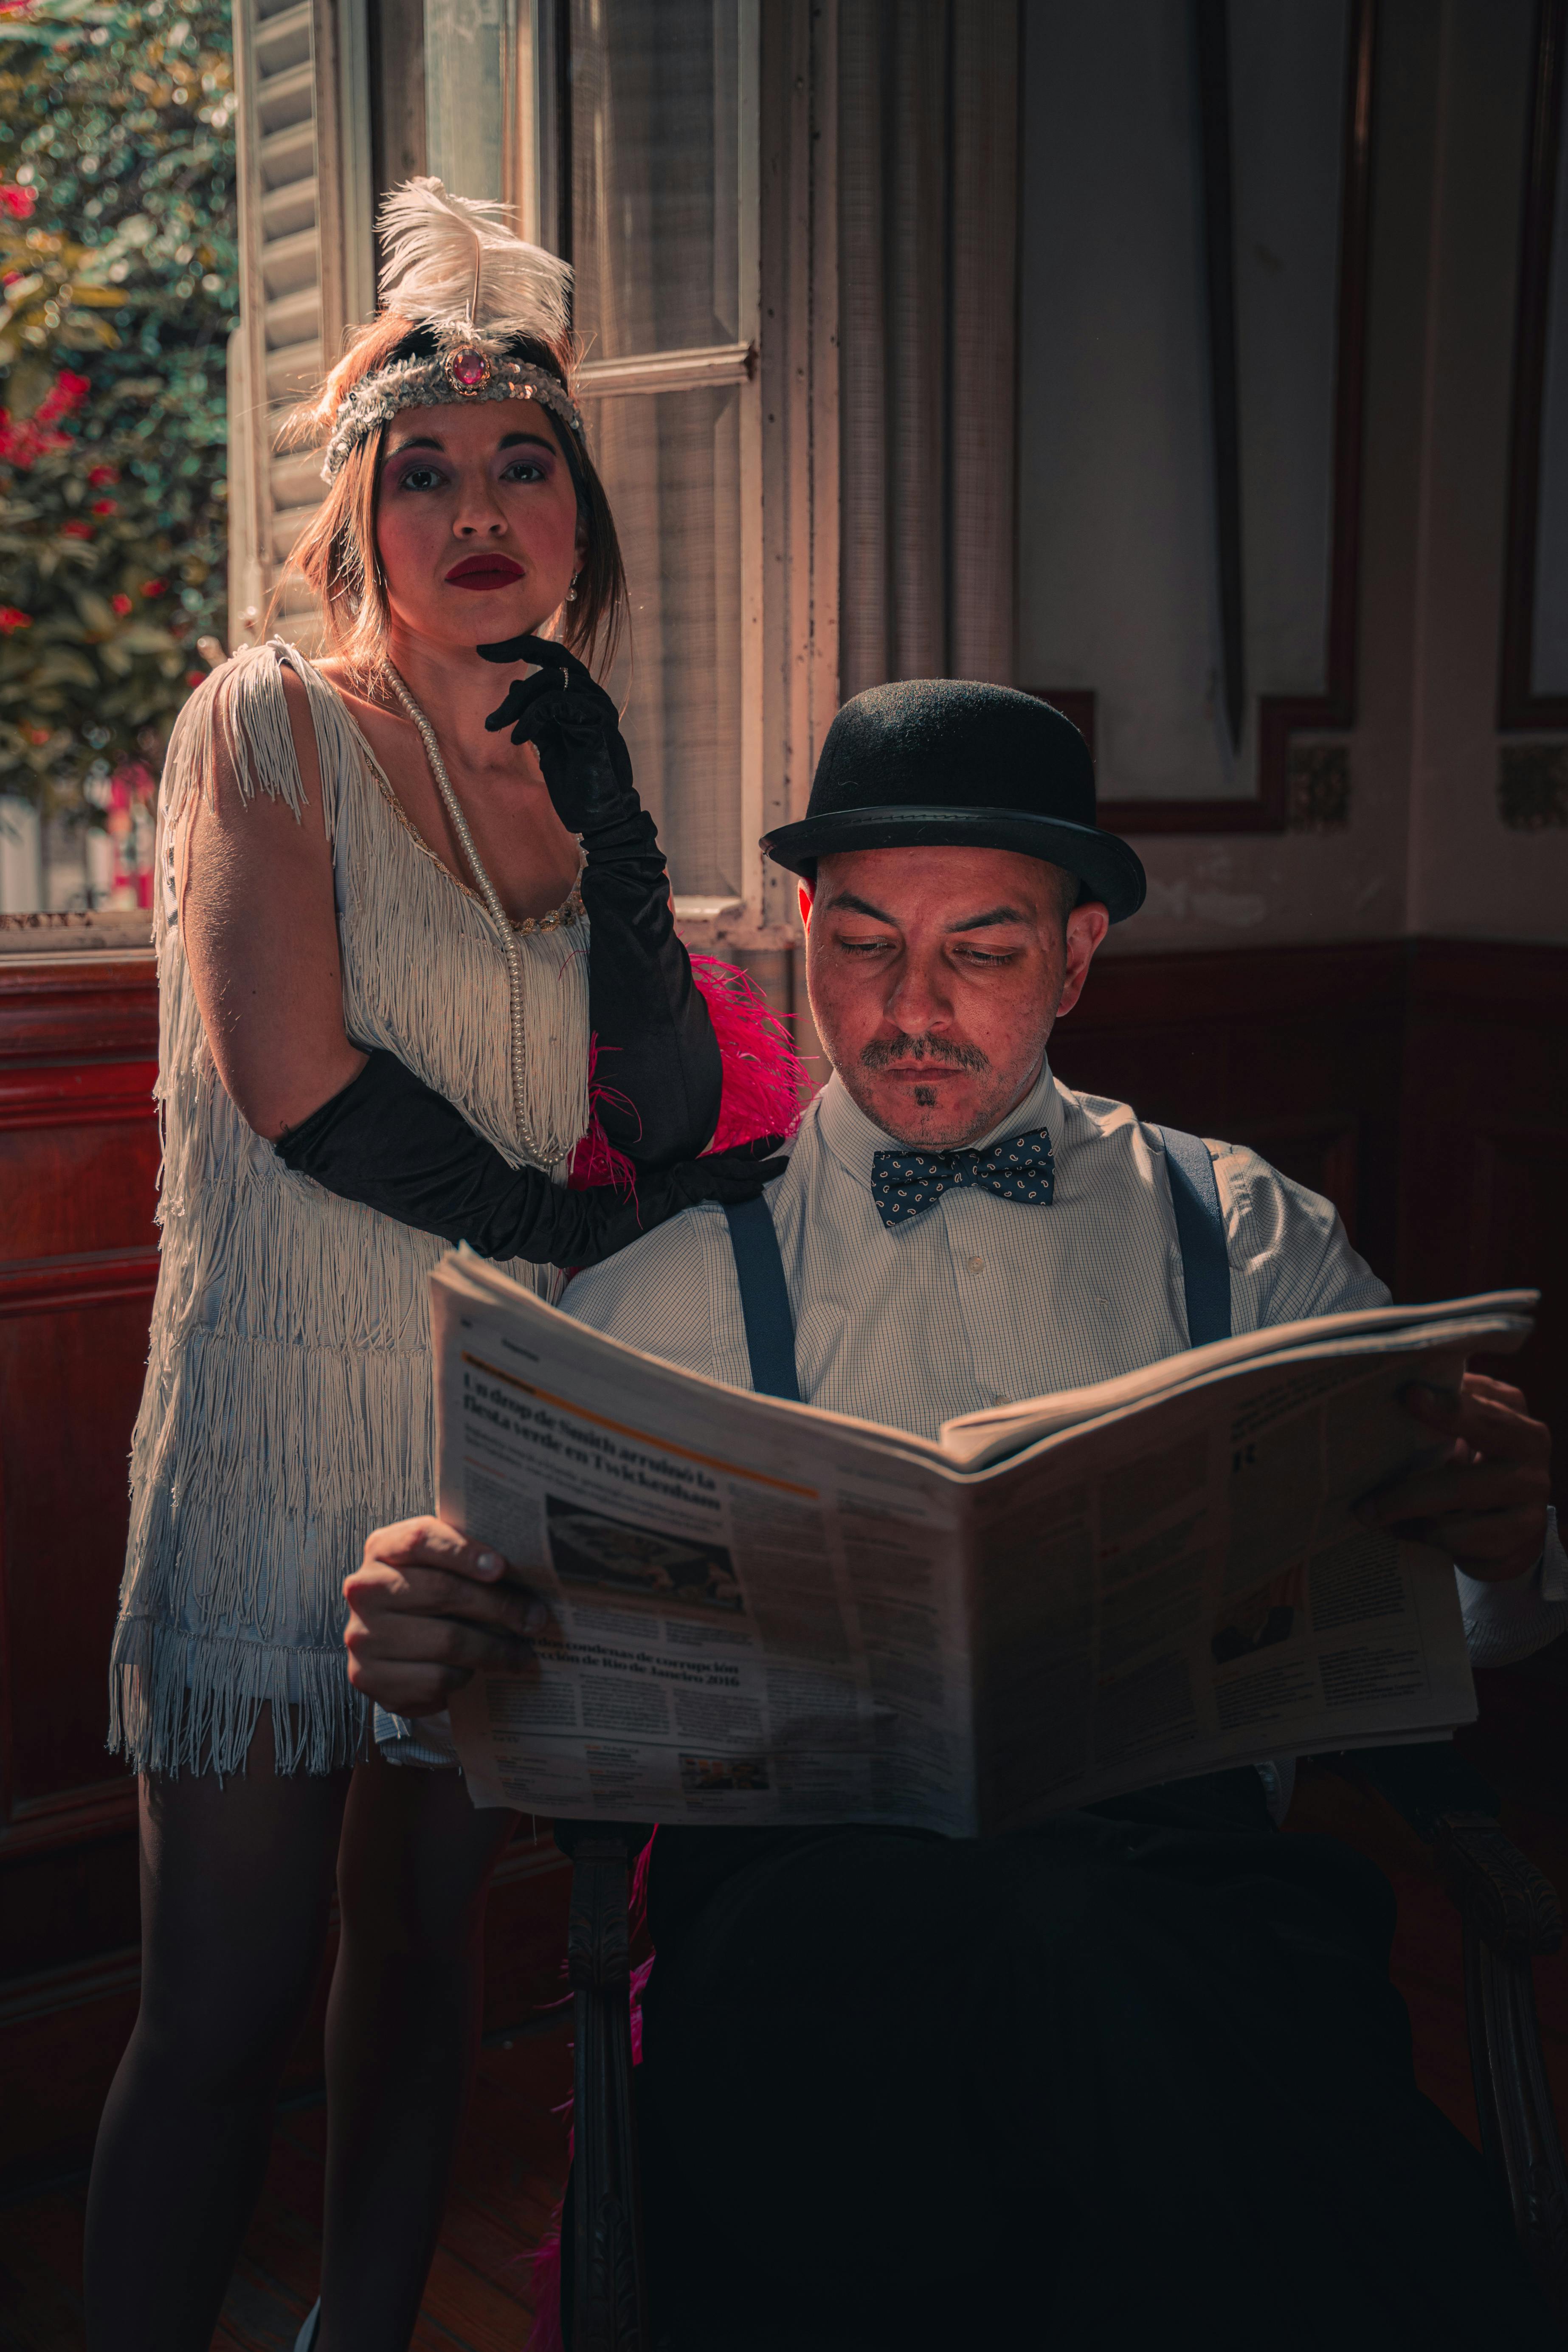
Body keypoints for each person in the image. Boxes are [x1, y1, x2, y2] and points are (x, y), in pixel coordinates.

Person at [343, 680, 1567, 2349]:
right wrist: (426, 1641)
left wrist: (1505, 1540)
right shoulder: (675, 1283)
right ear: (803, 936)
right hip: (815, 1958)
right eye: (864, 945)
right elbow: (510, 1679)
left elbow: (1458, 1629)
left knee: (1116, 1957)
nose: (911, 1006)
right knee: (1135, 2026)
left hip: (1192, 1906)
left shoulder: (1252, 1240)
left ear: (1074, 959)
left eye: (981, 951)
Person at [84, 178, 793, 2352]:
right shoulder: (267, 727)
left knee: (419, 1982)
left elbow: (667, 1107)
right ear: (359, 522)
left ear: (579, 518)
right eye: (427, 474)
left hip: (487, 1443)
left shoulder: (575, 768)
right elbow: (298, 1083)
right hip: (277, 1424)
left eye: (522, 466)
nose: (479, 511)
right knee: (220, 2004)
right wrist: (565, 1227)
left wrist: (626, 837)